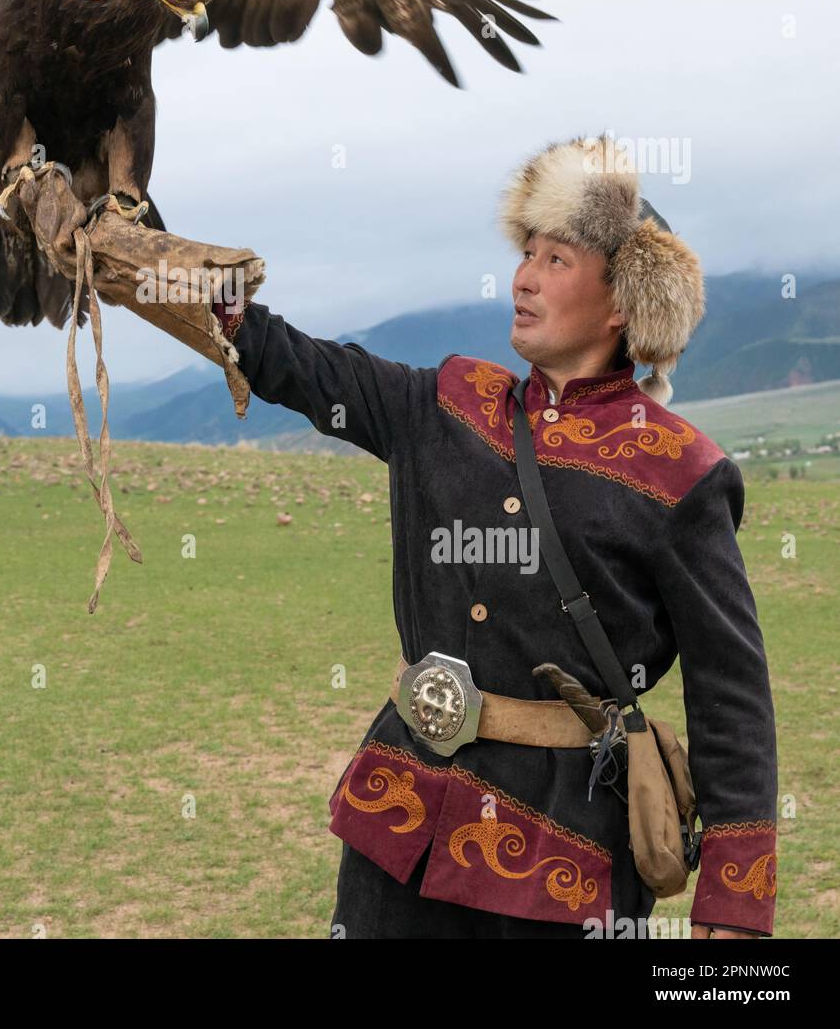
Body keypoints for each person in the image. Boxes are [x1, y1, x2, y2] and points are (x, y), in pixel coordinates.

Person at [211, 133, 779, 939]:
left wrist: (735, 903)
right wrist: (158, 256)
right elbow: (300, 366)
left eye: (556, 260)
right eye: (527, 254)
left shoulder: (681, 472)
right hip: (400, 825)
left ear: (620, 302)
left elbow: (731, 694)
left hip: (565, 859)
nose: (523, 277)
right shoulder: (446, 402)